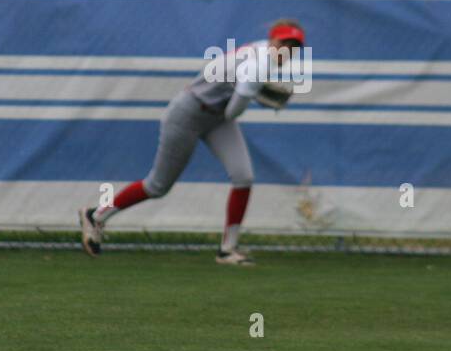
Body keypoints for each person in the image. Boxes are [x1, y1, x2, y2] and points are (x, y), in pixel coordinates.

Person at [79, 19, 307, 266]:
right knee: (157, 185)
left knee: (244, 177)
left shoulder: (263, 51)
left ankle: (227, 250)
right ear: (272, 40)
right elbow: (233, 112)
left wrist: (254, 92)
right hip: (188, 114)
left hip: (216, 114)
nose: (288, 50)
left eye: (294, 47)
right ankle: (96, 215)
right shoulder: (259, 65)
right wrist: (260, 96)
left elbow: (232, 95)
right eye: (284, 43)